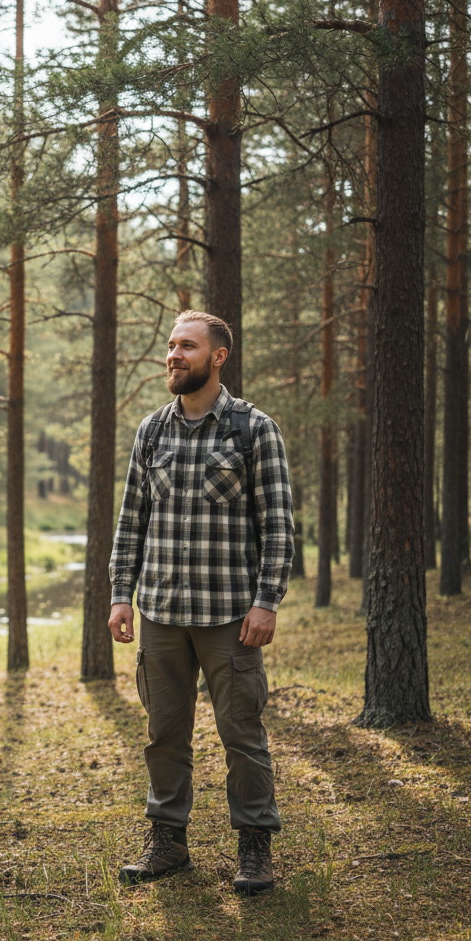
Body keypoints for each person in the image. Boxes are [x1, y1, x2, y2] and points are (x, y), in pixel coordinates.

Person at [108, 309, 294, 894]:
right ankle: (167, 843)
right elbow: (130, 521)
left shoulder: (252, 429)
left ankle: (254, 849)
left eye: (186, 346)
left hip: (229, 617)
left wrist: (266, 602)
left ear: (217, 356)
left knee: (241, 733)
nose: (173, 355)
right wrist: (120, 595)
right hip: (160, 613)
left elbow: (279, 525)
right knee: (164, 733)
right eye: (169, 345)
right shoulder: (152, 431)